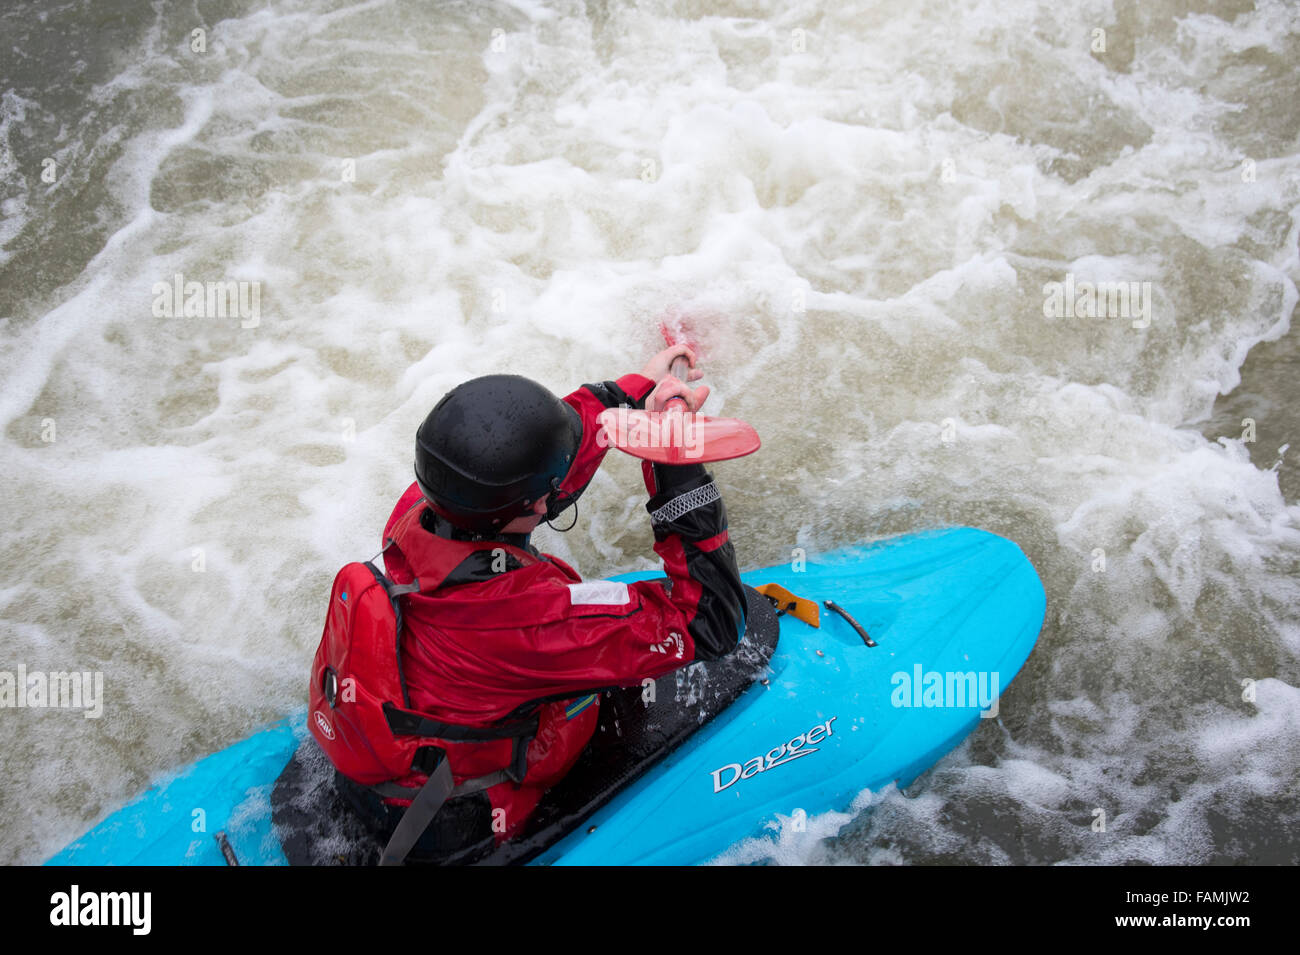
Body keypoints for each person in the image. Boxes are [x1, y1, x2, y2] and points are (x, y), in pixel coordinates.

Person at [349, 345, 747, 859]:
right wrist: (676, 467)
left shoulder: (422, 508)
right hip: (452, 816)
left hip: (393, 752)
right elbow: (711, 624)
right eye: (547, 491)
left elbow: (532, 459)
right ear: (538, 504)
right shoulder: (530, 622)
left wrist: (630, 392)